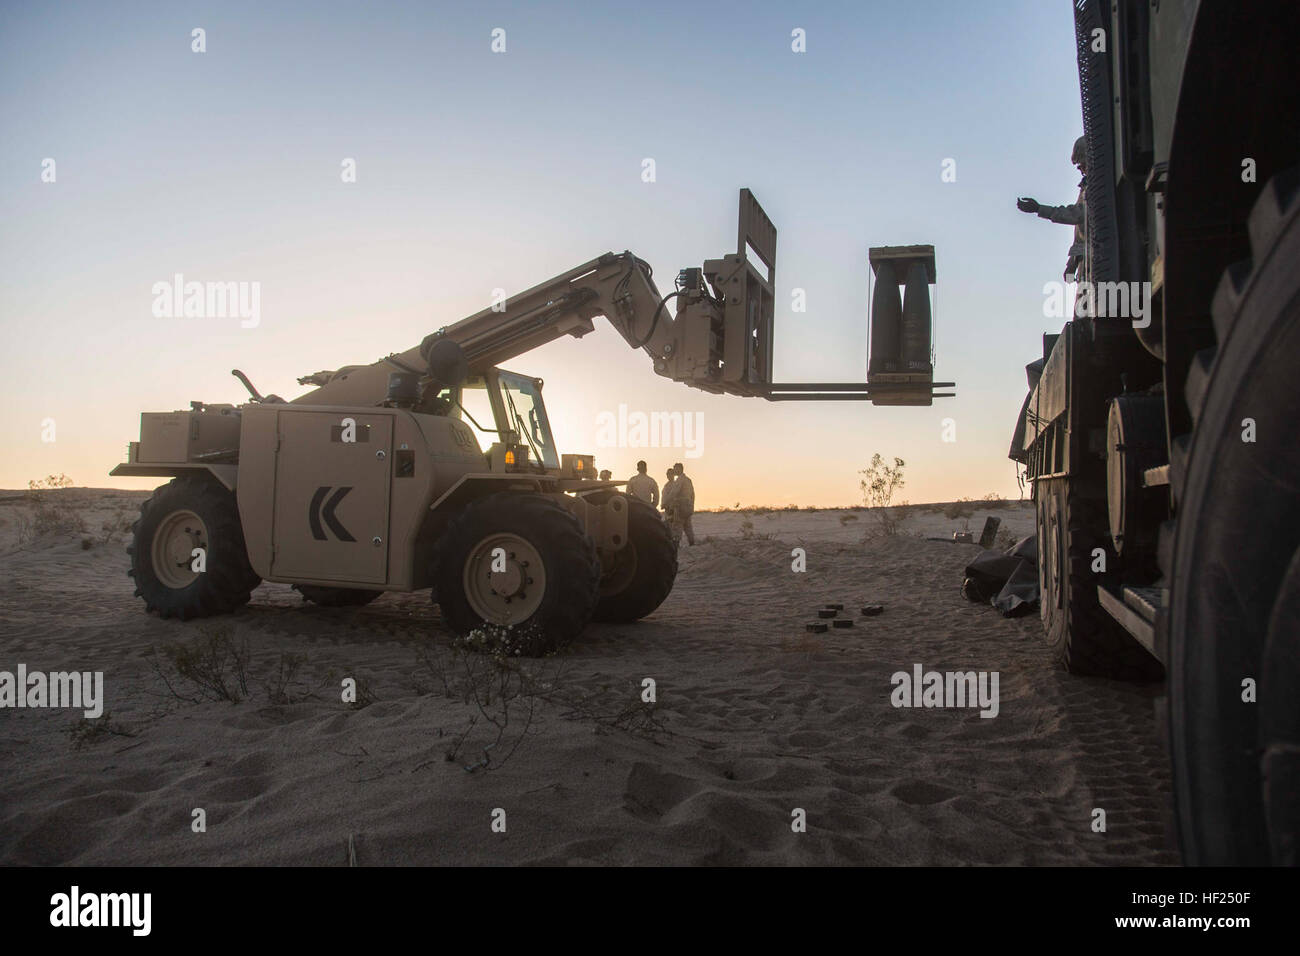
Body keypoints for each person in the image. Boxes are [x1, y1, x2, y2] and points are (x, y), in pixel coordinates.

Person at [1017, 136, 1088, 283]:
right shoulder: (1086, 188)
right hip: (1086, 264)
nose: (1080, 168)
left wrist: (1039, 209)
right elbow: (1080, 235)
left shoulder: (1098, 187)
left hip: (1096, 264)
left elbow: (1077, 215)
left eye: (1081, 163)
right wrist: (1072, 265)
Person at [669, 462, 696, 547]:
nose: (674, 470)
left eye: (675, 468)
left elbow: (674, 493)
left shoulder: (680, 480)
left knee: (678, 526)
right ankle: (692, 543)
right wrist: (692, 505)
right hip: (688, 506)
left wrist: (667, 503)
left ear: (680, 469)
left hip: (680, 506)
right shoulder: (688, 480)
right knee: (688, 526)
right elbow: (693, 494)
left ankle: (676, 545)